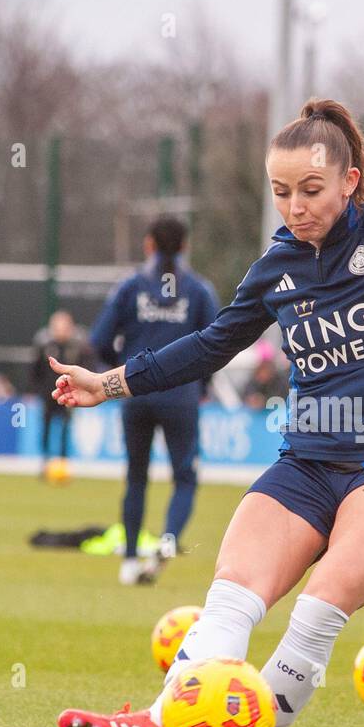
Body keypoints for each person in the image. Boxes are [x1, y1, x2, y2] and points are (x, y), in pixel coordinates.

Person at [48, 98, 364, 727]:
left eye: (311, 190)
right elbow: (212, 344)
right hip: (306, 462)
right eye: (282, 192)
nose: (296, 206)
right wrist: (113, 382)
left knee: (315, 611)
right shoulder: (277, 264)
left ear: (349, 180)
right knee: (232, 594)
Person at [89, 217, 219, 585]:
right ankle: (167, 540)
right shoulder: (198, 289)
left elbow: (98, 340)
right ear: (185, 246)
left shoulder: (130, 286)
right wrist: (202, 385)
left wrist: (117, 375)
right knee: (185, 478)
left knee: (136, 477)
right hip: (181, 396)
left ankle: (129, 559)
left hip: (135, 391)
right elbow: (216, 344)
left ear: (148, 244)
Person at [30, 310, 92, 473]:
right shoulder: (44, 345)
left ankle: (63, 462)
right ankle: (45, 461)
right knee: (46, 426)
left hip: (69, 395)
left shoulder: (77, 346)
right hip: (48, 394)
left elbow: (87, 367)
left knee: (65, 427)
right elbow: (35, 370)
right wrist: (36, 390)